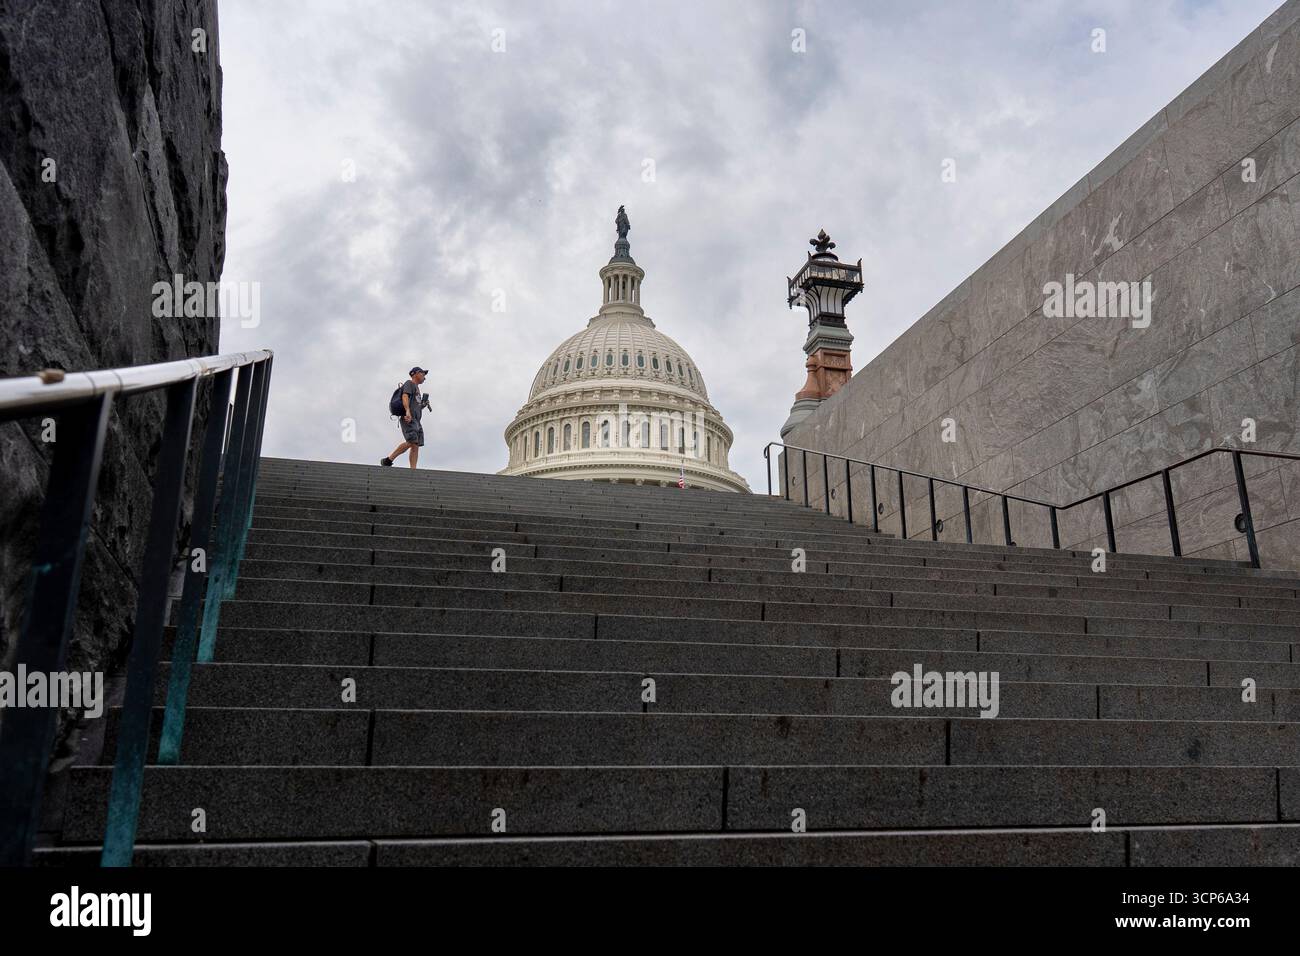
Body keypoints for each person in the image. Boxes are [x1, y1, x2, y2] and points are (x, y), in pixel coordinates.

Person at [381, 366, 428, 468]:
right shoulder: (409, 383)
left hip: (417, 420)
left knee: (415, 444)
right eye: (422, 374)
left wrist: (423, 404)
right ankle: (388, 460)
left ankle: (413, 470)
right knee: (411, 441)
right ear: (415, 374)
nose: (424, 377)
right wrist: (407, 411)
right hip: (409, 417)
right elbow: (405, 396)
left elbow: (416, 406)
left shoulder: (417, 389)